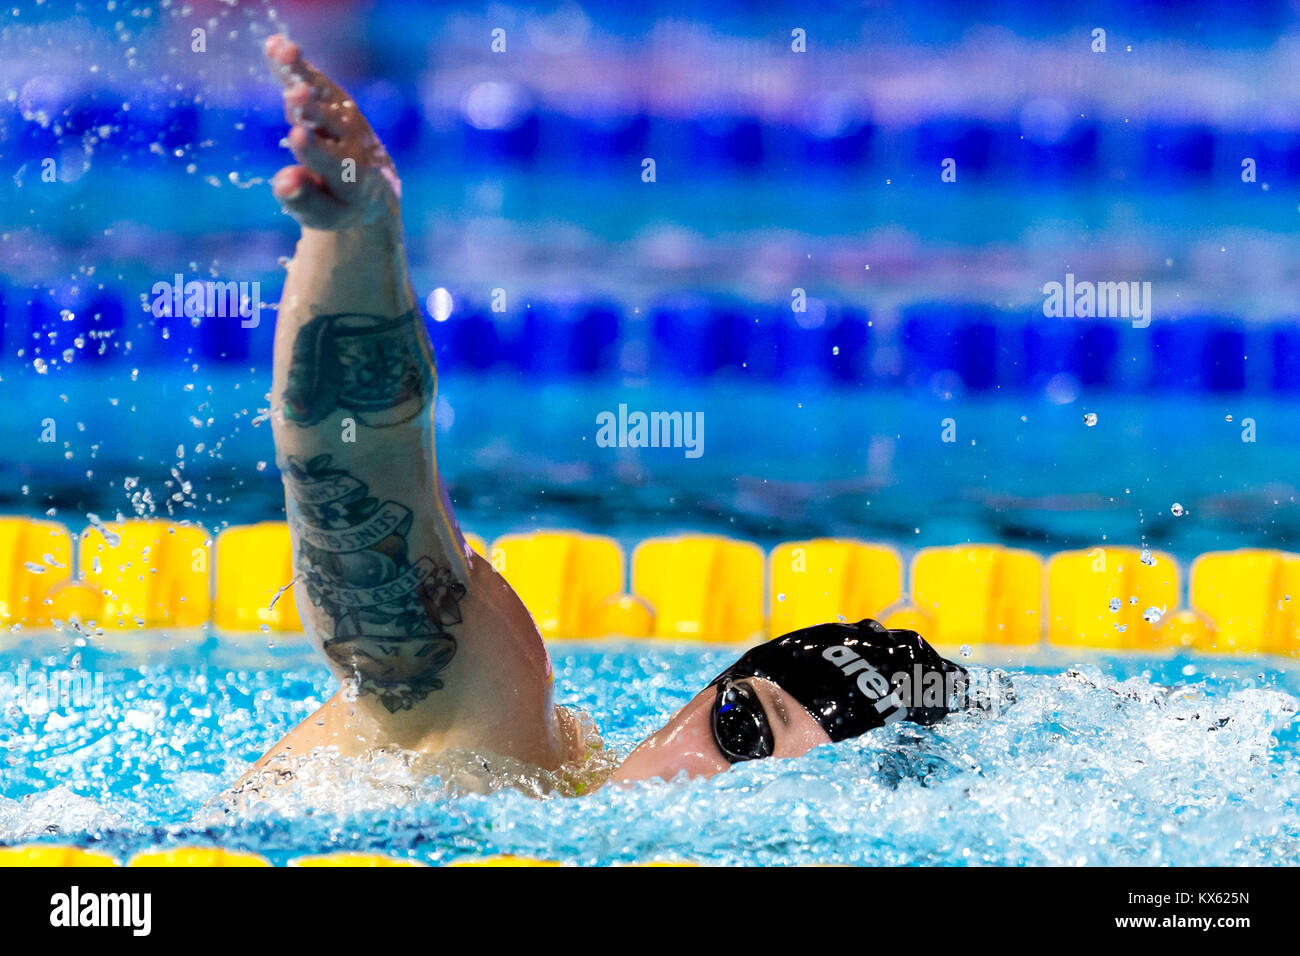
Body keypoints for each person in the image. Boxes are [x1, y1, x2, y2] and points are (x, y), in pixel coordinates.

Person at [239, 35, 971, 797]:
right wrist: (356, 242)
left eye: (803, 793)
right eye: (743, 729)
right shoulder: (496, 735)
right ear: (704, 693)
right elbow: (358, 471)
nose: (719, 791)